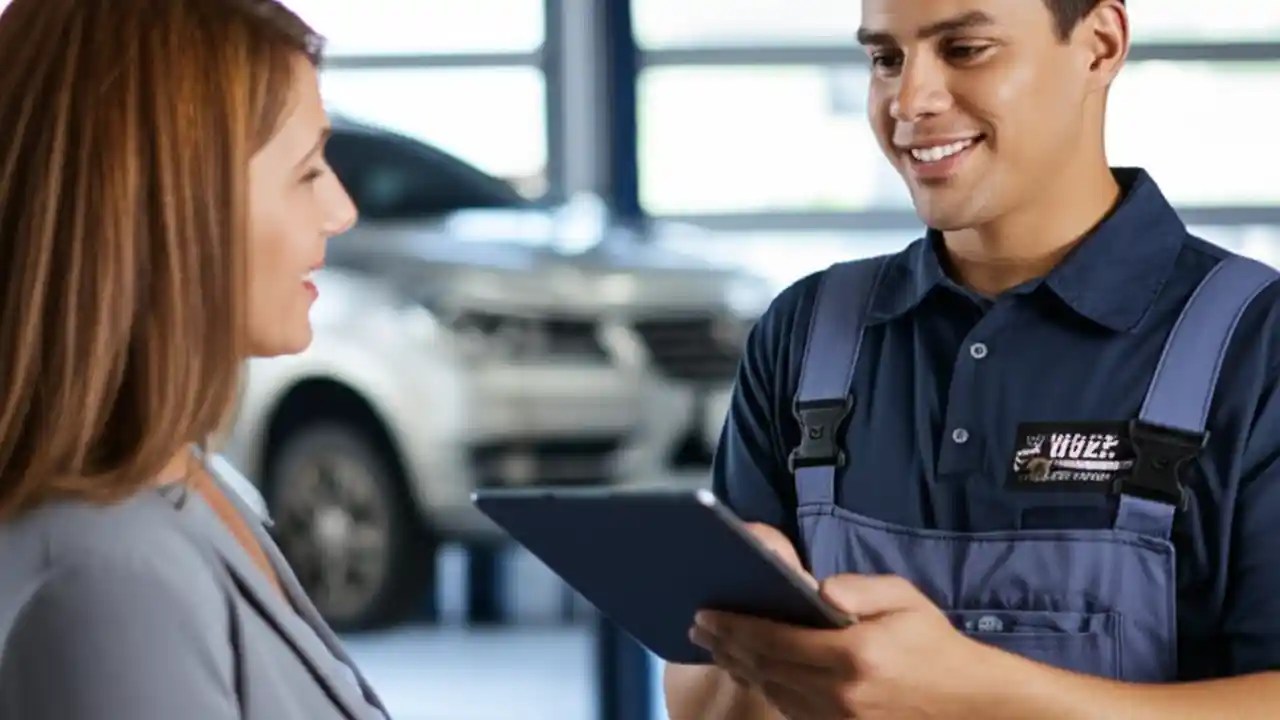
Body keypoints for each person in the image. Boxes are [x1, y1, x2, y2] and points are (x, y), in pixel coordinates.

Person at [665, 0, 1280, 718]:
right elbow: (700, 699)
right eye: (886, 59)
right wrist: (753, 649)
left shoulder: (1255, 346)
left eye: (964, 49)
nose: (908, 100)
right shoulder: (805, 333)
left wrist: (973, 696)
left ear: (1100, 46)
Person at [0, 1, 380, 718]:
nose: (341, 209)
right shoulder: (113, 582)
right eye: (306, 174)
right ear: (169, 206)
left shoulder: (197, 485)